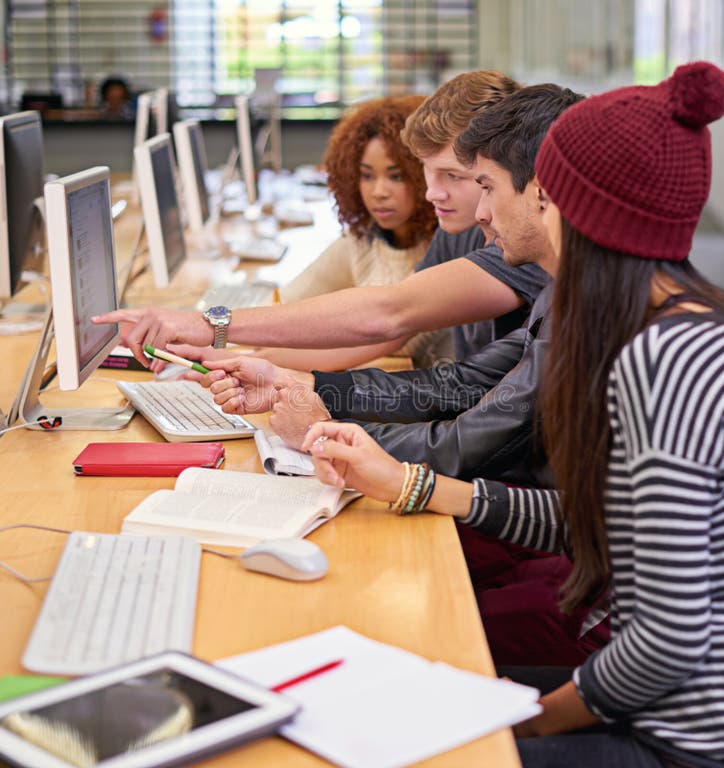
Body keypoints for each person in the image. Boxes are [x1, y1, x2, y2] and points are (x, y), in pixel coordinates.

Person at [296, 62, 724, 767]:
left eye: (489, 187)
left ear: (562, 204)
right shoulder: (667, 325)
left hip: (688, 741)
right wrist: (404, 483)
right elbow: (595, 525)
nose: (480, 210)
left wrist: (521, 726)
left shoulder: (667, 359)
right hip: (654, 703)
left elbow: (668, 643)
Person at [195, 84, 608, 671]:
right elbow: (454, 386)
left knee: (388, 616)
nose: (477, 211)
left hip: (572, 565)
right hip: (539, 521)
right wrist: (308, 390)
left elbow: (469, 434)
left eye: (480, 184)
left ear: (543, 195)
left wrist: (337, 439)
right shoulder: (565, 293)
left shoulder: (601, 311)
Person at [92, 71, 548, 369]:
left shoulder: (525, 245)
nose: (432, 193)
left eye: (456, 176)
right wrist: (244, 361)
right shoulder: (461, 231)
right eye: (427, 173)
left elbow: (388, 315)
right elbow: (389, 332)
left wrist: (214, 325)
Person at [250, 94, 452, 371]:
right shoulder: (363, 239)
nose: (378, 192)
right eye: (367, 176)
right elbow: (282, 307)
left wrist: (257, 357)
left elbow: (392, 333)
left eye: (396, 176)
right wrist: (211, 338)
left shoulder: (450, 241)